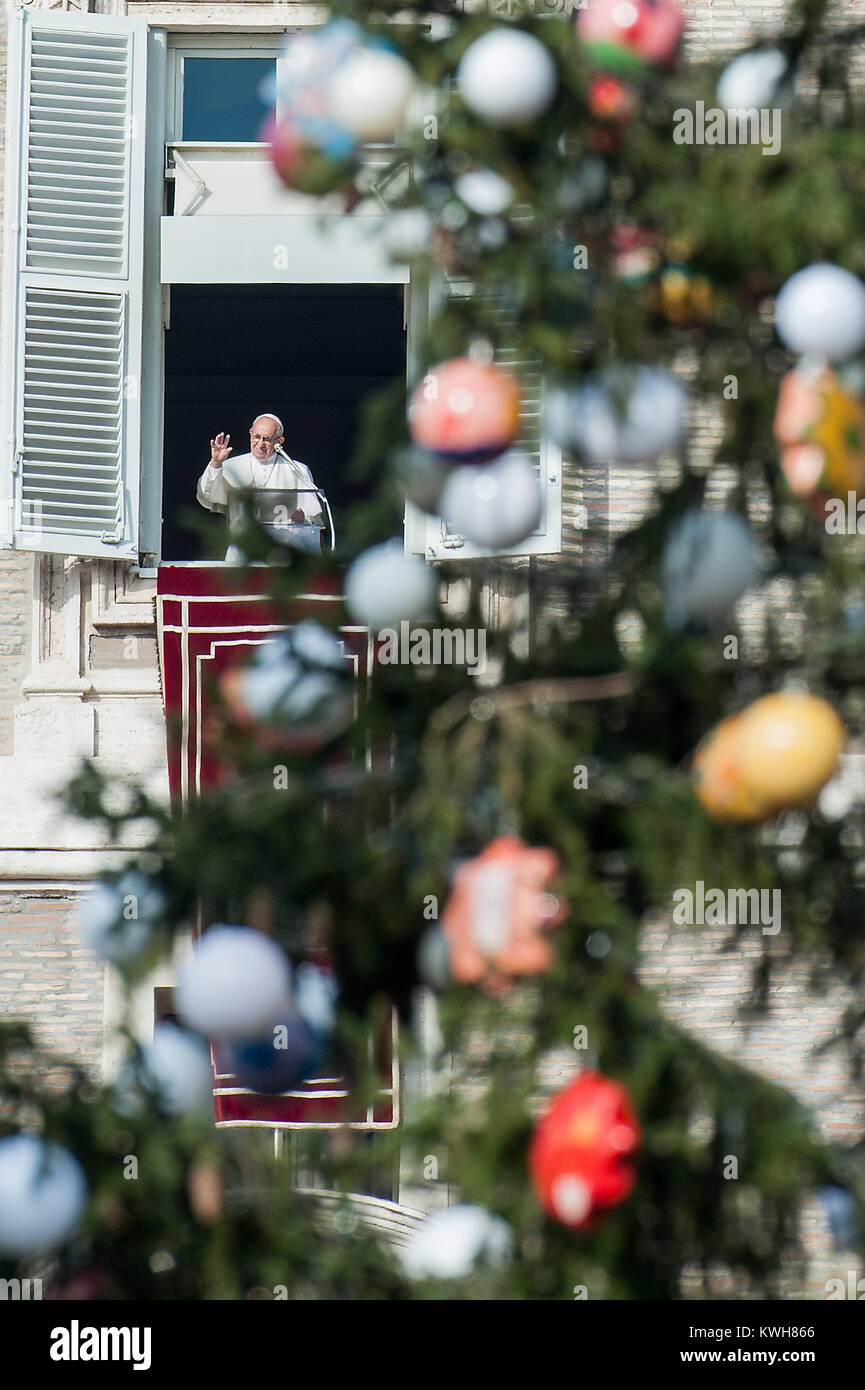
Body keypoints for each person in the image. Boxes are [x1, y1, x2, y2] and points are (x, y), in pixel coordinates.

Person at [197, 413, 325, 561]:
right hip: (243, 551)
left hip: (282, 553)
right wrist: (215, 464)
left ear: (279, 441)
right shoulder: (232, 466)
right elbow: (207, 494)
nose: (260, 443)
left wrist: (302, 518)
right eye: (256, 436)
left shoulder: (296, 469)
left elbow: (314, 520)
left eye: (266, 439)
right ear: (250, 434)